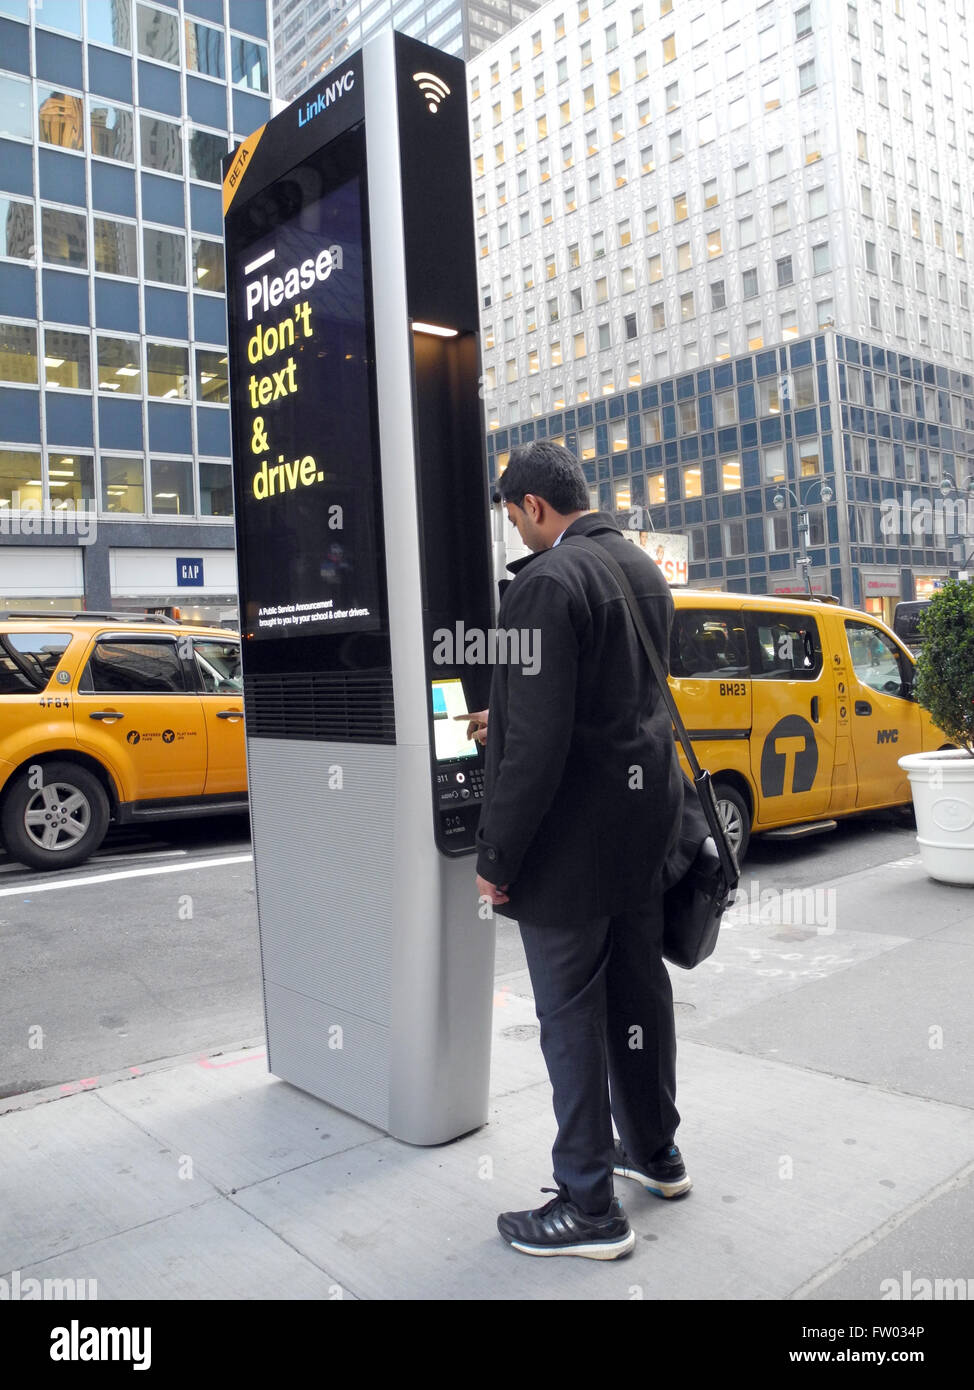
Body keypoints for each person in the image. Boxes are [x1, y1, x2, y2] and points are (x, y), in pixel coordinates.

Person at [474, 440, 688, 1260]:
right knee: (639, 998)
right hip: (642, 835)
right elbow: (618, 697)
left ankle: (590, 1207)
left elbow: (537, 753)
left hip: (569, 852)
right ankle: (655, 1151)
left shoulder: (543, 586)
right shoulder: (639, 566)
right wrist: (518, 717)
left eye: (511, 514)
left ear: (531, 506)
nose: (513, 530)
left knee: (570, 1021)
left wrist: (495, 860)